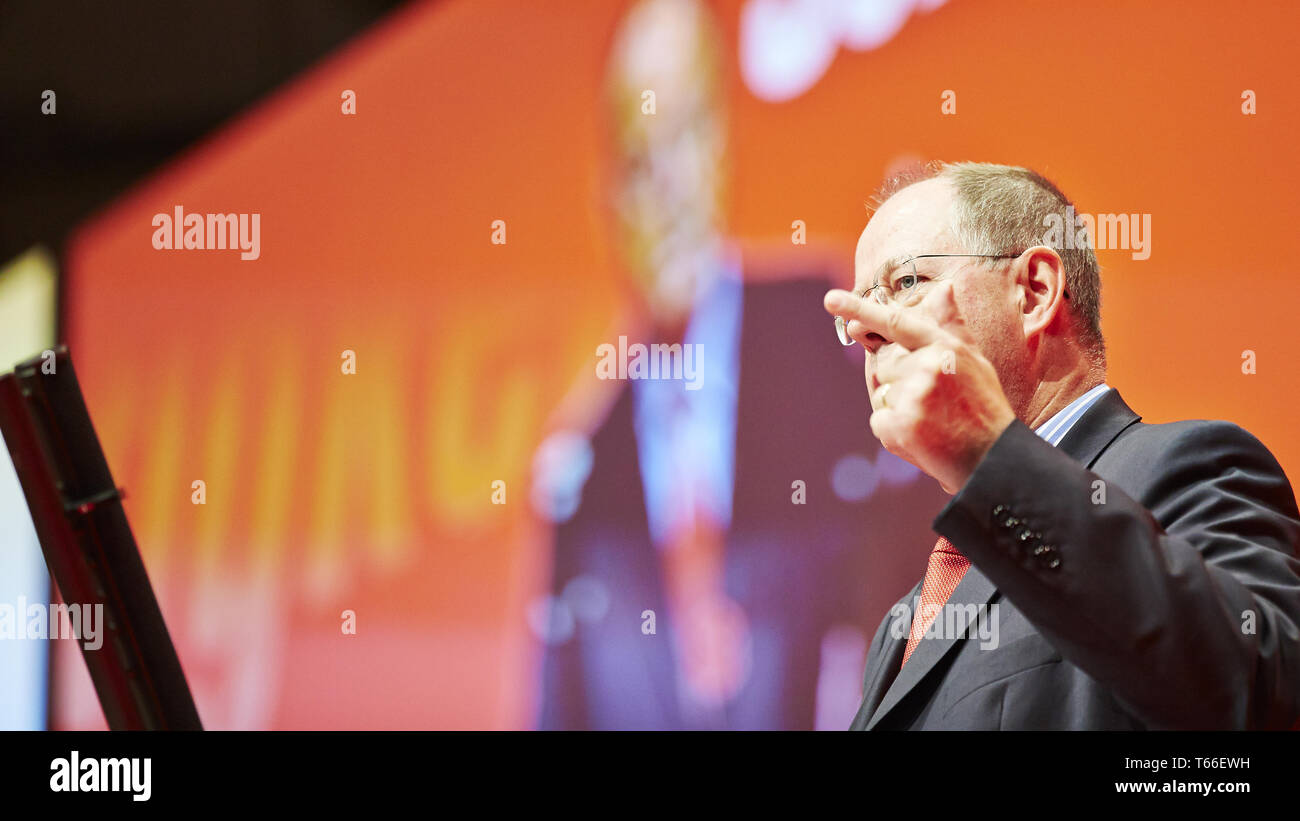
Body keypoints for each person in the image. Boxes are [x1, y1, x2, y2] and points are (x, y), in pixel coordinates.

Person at [825, 161, 1300, 730]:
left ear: (1035, 292)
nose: (862, 331)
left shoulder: (1186, 469)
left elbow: (1261, 690)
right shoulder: (907, 616)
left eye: (905, 283)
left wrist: (990, 461)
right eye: (859, 306)